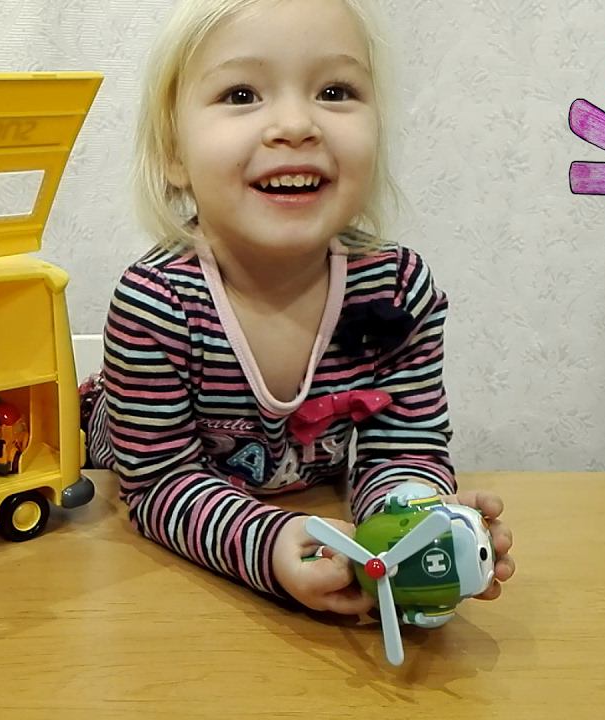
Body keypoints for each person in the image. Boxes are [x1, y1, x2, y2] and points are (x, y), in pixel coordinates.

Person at [79, 0, 515, 614]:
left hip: (298, 499)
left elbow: (404, 447)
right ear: (174, 154)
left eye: (335, 91)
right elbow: (157, 484)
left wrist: (412, 526)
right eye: (241, 95)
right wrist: (271, 544)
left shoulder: (396, 289)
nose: (295, 124)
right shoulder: (156, 303)